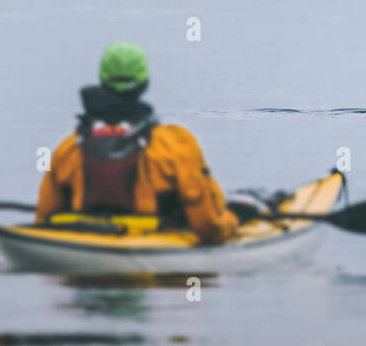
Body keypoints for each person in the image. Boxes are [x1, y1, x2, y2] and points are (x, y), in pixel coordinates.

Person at [35, 42, 241, 243]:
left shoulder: (70, 147)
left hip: (84, 245)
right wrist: (234, 222)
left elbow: (44, 218)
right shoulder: (175, 143)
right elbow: (209, 226)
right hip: (154, 243)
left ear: (102, 81)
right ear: (145, 84)